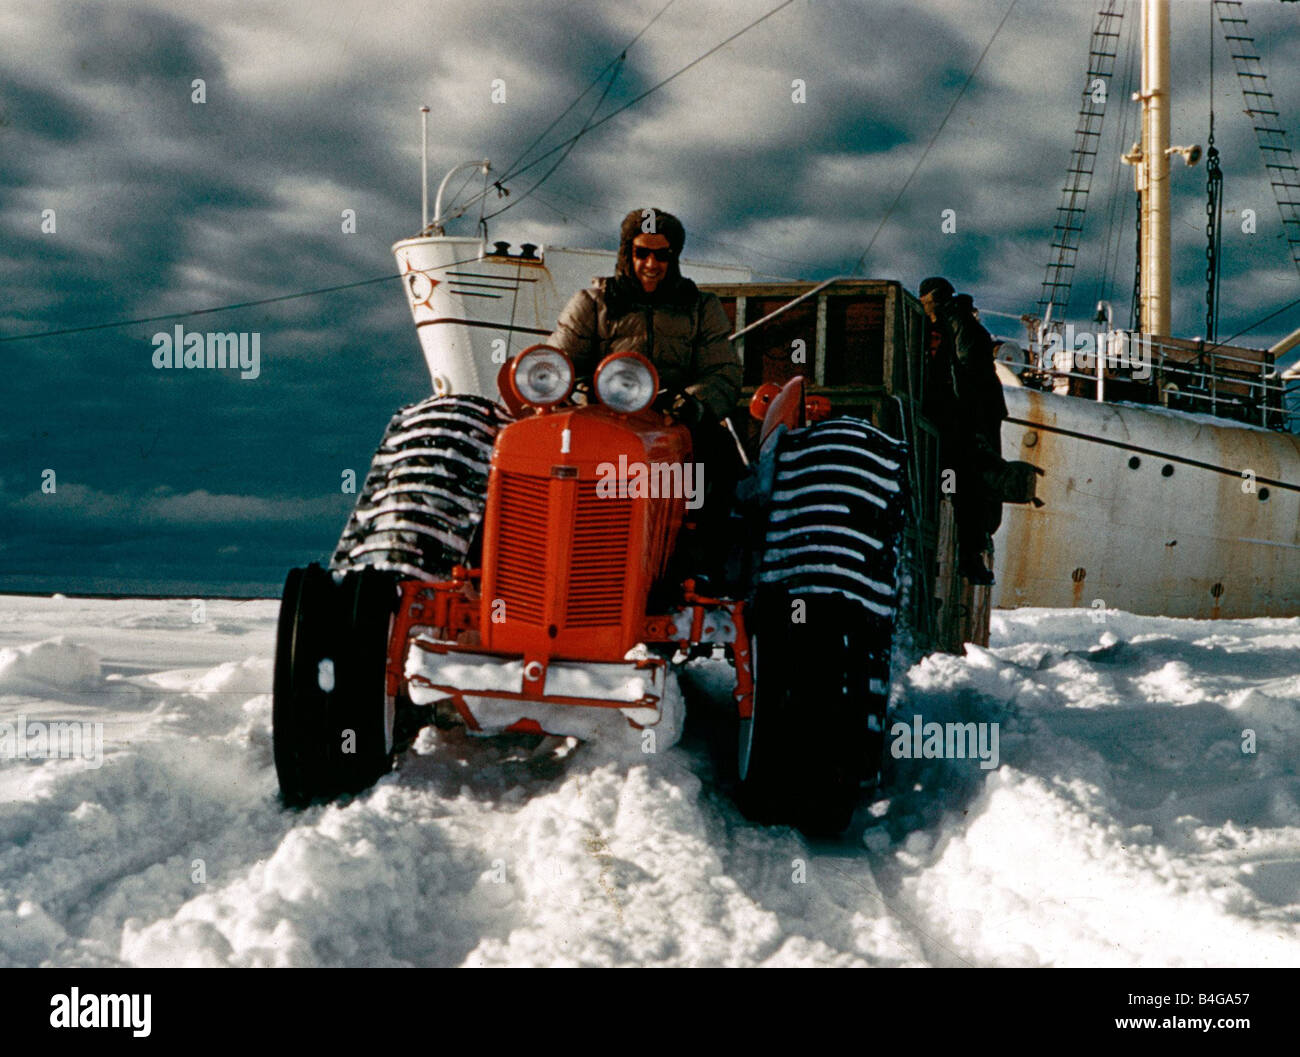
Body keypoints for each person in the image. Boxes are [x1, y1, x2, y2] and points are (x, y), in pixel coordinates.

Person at [546, 208, 744, 584]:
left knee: (717, 457)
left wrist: (694, 403)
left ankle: (700, 570)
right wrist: (587, 391)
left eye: (662, 254)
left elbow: (723, 371)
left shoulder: (701, 308)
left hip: (673, 420)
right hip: (604, 419)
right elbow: (560, 363)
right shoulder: (593, 303)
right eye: (642, 253)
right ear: (626, 253)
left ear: (674, 257)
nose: (651, 264)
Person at [918, 276, 1008, 585]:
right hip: (973, 416)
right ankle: (970, 554)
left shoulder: (954, 323)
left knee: (967, 483)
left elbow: (966, 372)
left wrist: (963, 418)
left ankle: (970, 556)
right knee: (968, 484)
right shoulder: (959, 322)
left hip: (968, 418)